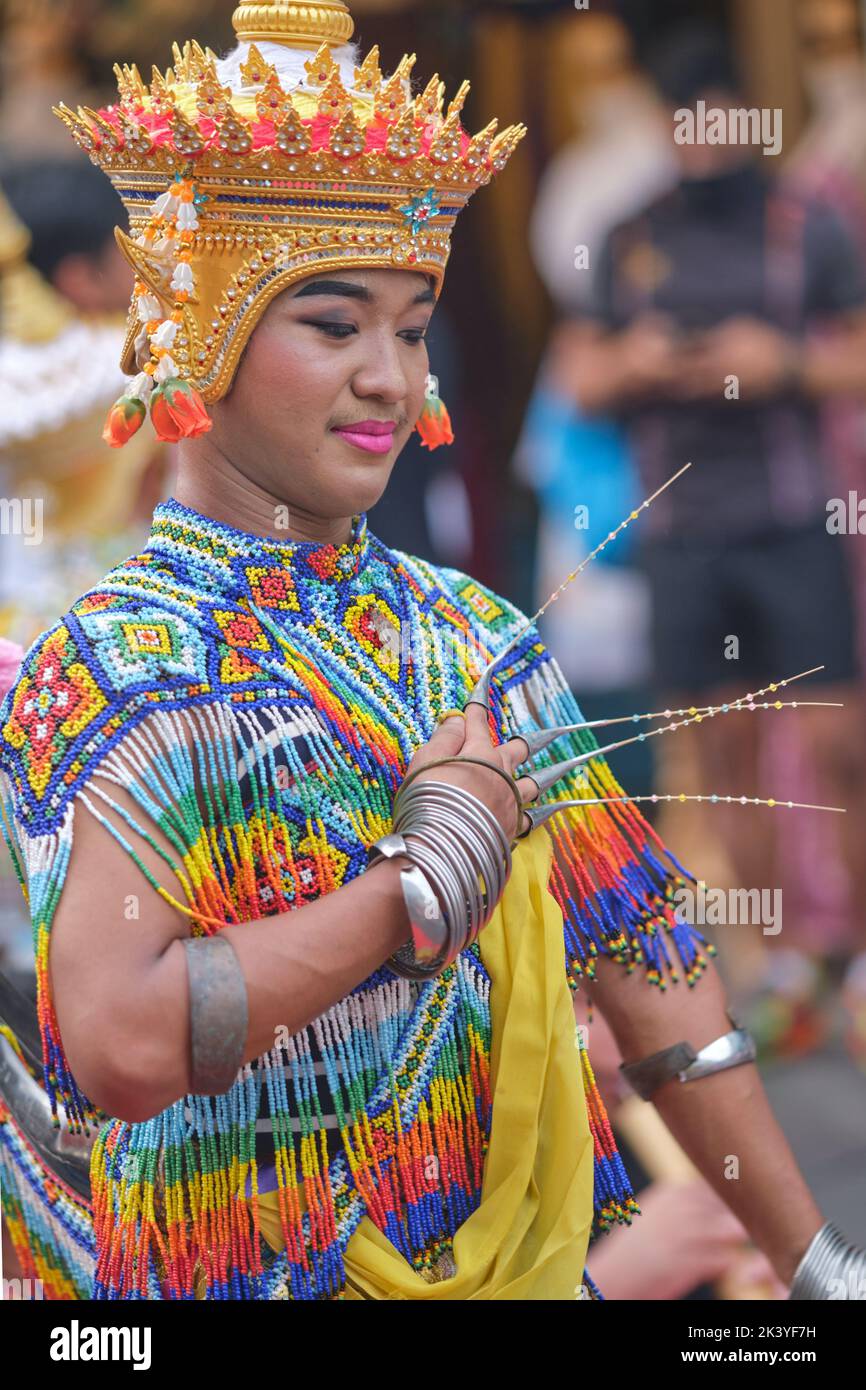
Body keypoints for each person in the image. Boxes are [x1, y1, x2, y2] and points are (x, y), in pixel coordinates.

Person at [0, 1, 861, 1303]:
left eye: (410, 329)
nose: (391, 380)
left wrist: (814, 1261)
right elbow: (121, 1039)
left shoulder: (471, 636)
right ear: (197, 333)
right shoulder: (114, 666)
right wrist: (423, 882)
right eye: (333, 325)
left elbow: (650, 968)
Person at [548, 25, 866, 1065]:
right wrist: (637, 363)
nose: (699, 141)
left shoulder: (799, 224)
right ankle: (779, 963)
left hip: (786, 522)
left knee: (833, 747)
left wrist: (772, 359)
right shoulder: (632, 232)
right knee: (725, 758)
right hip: (682, 533)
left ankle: (852, 950)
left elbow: (853, 349)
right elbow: (578, 378)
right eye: (680, 124)